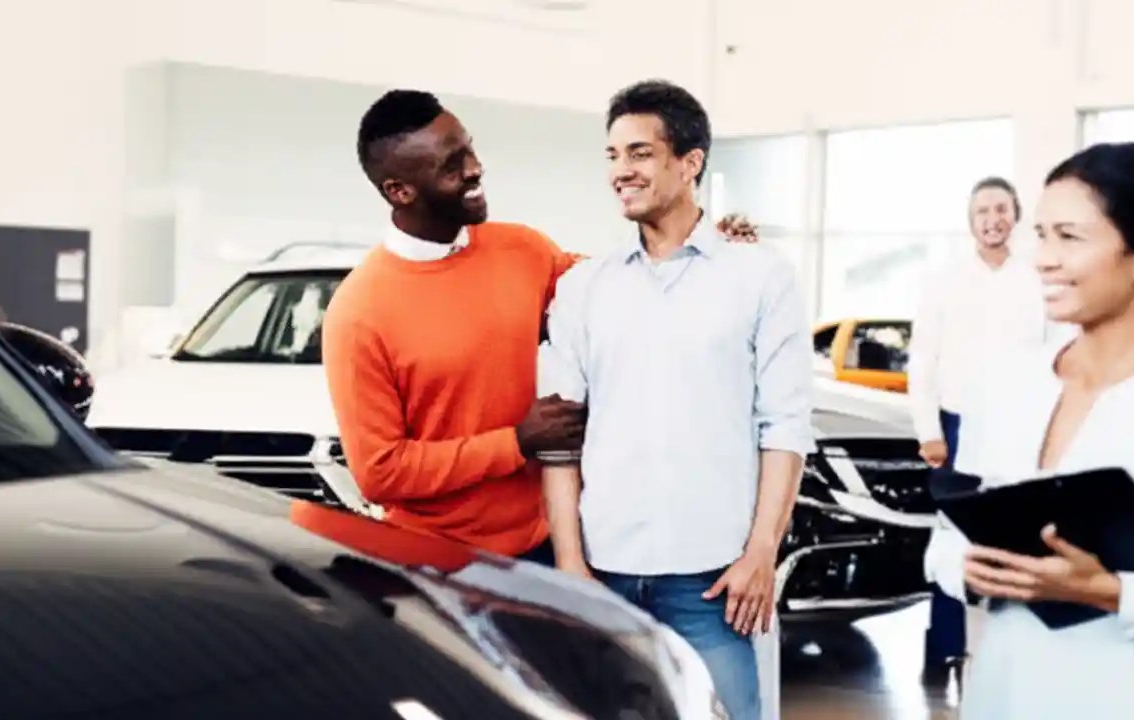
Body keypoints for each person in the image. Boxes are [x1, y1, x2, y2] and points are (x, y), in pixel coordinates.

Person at [540, 80, 815, 720]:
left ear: (690, 162)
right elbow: (560, 436)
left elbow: (785, 427)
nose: (620, 171)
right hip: (604, 572)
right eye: (612, 156)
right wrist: (570, 565)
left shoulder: (760, 277)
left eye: (638, 153)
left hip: (716, 581)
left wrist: (760, 554)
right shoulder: (585, 287)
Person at [928, 142, 1134, 718]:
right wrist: (969, 571)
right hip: (1004, 689)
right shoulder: (1004, 383)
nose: (1043, 258)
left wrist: (1111, 592)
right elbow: (944, 542)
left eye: (1069, 238)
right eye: (1041, 235)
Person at [321, 89, 588, 563]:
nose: (475, 169)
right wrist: (516, 442)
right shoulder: (358, 312)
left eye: (469, 149)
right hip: (437, 568)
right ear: (399, 191)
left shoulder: (524, 249)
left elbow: (617, 288)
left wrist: (703, 244)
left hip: (550, 550)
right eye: (451, 165)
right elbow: (380, 472)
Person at [910, 176, 1056, 672]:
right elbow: (923, 358)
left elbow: (1056, 349)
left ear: (1015, 215)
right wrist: (927, 429)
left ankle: (1014, 646)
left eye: (1000, 209)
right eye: (981, 212)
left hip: (1022, 424)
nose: (992, 220)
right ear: (969, 222)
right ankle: (946, 645)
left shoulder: (1037, 277)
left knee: (1021, 535)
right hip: (957, 424)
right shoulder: (945, 279)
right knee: (953, 536)